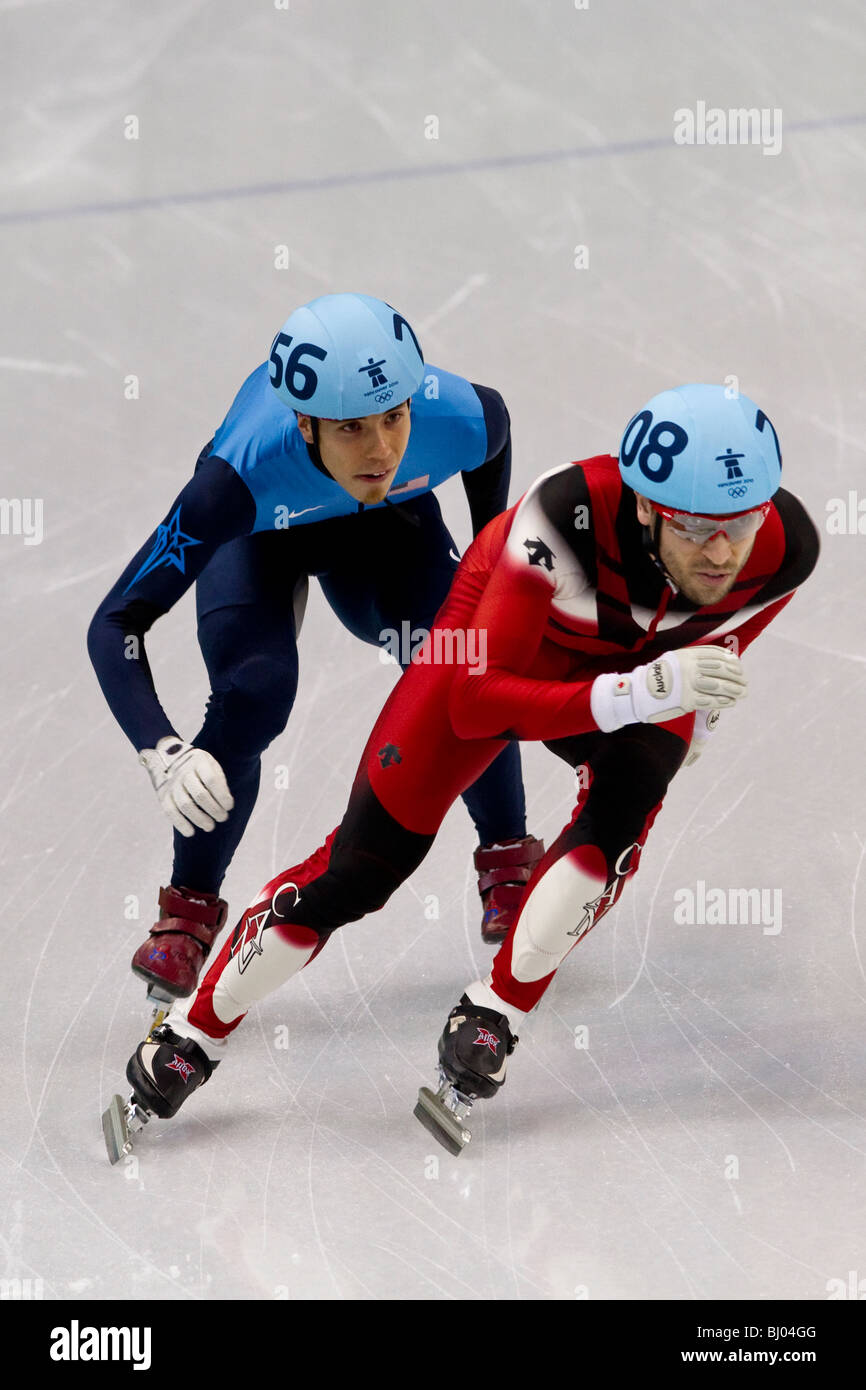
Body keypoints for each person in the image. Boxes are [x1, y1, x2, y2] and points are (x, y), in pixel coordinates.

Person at [105, 383, 819, 1158]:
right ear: (648, 509)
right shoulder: (559, 518)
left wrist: (694, 707)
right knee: (362, 870)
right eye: (696, 530)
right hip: (499, 658)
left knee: (616, 827)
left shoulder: (789, 547)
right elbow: (483, 708)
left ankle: (495, 1013)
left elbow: (729, 627)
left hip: (644, 667)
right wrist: (640, 691)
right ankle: (190, 1035)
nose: (723, 554)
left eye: (741, 525)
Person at [87, 293, 542, 1014]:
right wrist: (161, 749)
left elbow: (496, 439)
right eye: (352, 429)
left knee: (458, 656)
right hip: (264, 533)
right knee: (252, 693)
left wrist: (490, 571)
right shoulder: (234, 481)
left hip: (385, 524)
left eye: (393, 418)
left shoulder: (459, 417)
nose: (382, 449)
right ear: (304, 422)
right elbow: (116, 622)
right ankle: (190, 908)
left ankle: (509, 860)